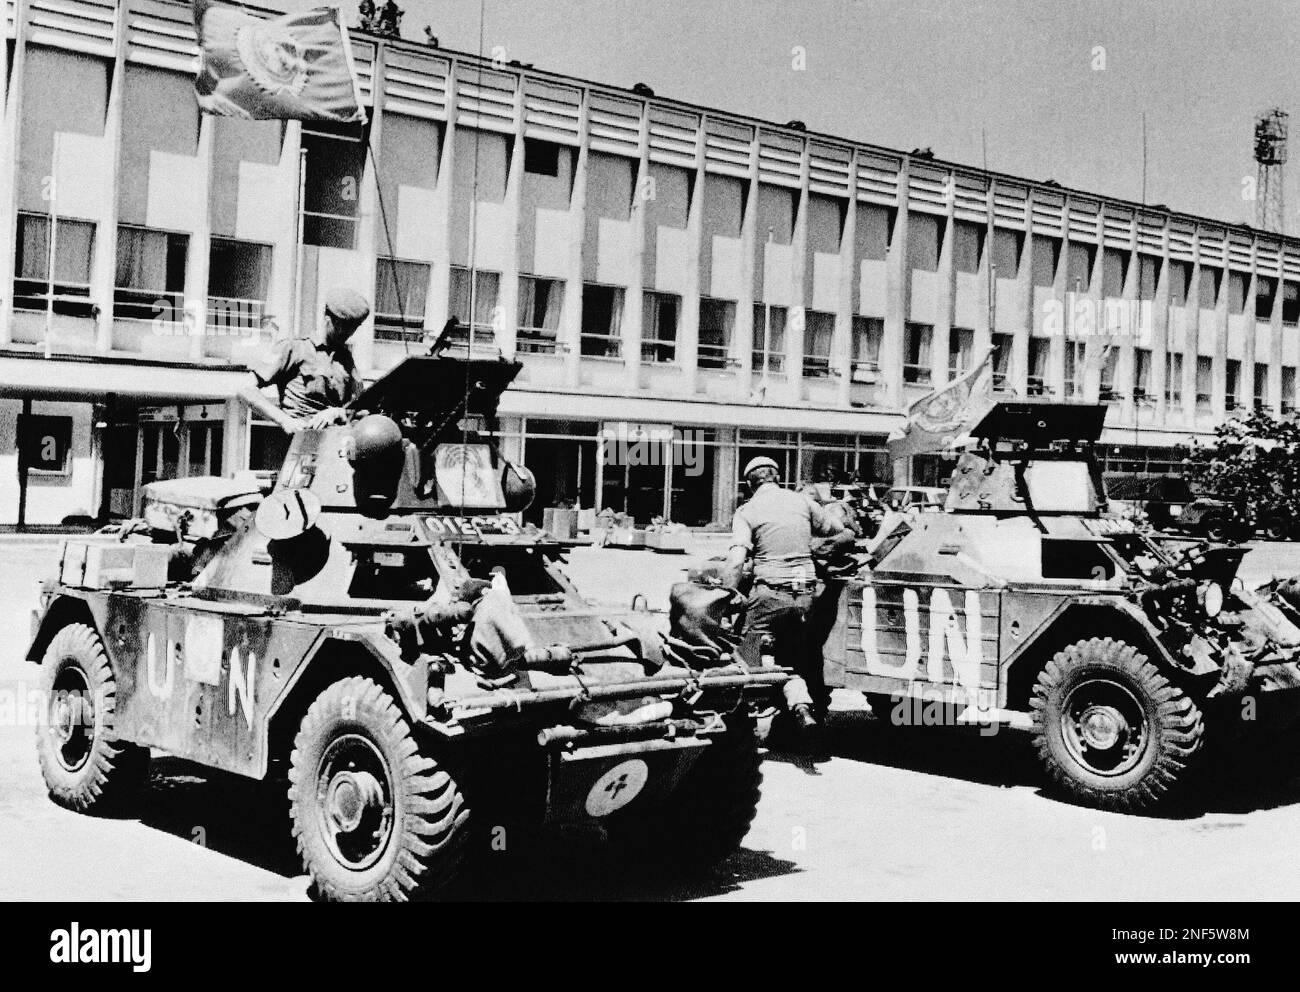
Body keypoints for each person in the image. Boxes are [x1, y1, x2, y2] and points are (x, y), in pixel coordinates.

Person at [724, 456, 855, 742]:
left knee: (744, 656)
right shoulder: (802, 502)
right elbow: (840, 530)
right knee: (794, 658)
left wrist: (728, 594)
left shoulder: (747, 510)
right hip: (805, 595)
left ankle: (741, 728)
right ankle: (801, 707)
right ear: (777, 478)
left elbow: (736, 561)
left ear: (749, 483)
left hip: (769, 594)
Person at [240, 289, 371, 434]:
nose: (349, 333)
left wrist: (338, 412)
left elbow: (362, 409)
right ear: (328, 318)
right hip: (303, 441)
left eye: (354, 327)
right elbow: (245, 389)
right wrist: (284, 420)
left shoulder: (346, 359)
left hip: (335, 443)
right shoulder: (294, 347)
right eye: (343, 326)